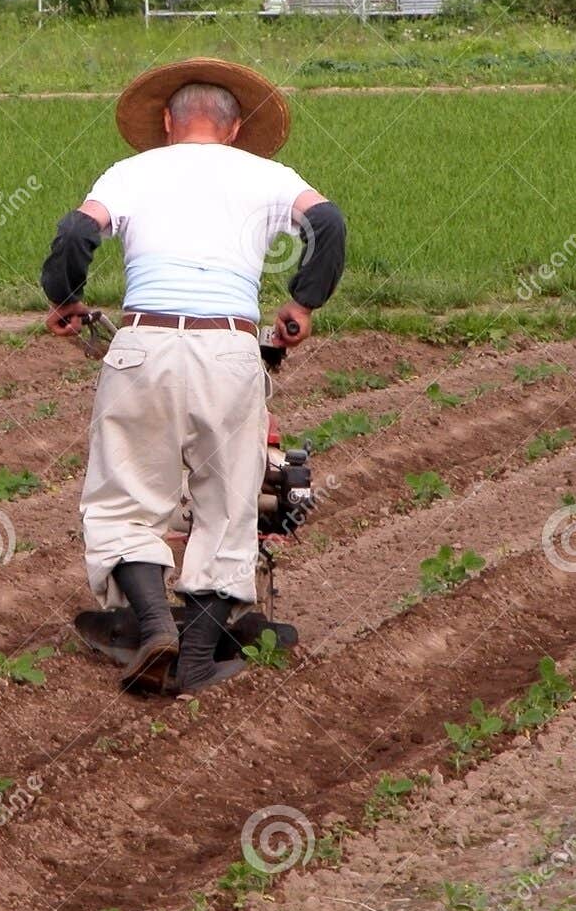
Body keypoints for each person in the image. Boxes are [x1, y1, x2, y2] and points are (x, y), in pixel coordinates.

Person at [39, 58, 347, 695]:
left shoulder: (132, 172)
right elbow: (328, 225)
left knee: (125, 497)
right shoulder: (269, 175)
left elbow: (75, 232)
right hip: (228, 351)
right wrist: (301, 305)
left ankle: (154, 626)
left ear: (165, 123)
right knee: (228, 505)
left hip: (142, 344)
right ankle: (199, 657)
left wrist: (65, 298)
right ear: (234, 131)